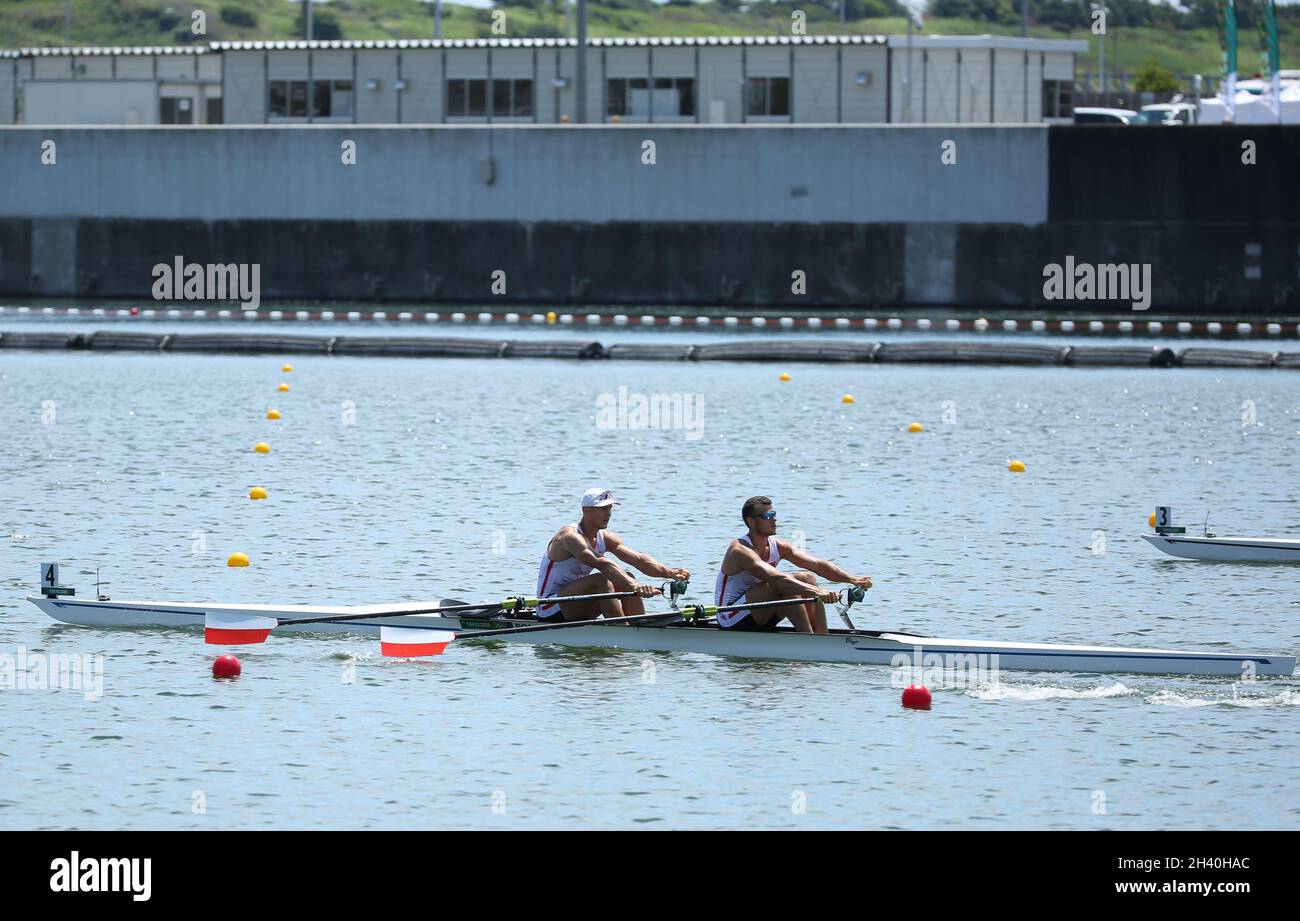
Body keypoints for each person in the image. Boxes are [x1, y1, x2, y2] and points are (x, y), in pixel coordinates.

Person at [714, 496, 872, 634]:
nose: (774, 519)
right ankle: (810, 642)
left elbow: (817, 565)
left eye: (774, 514)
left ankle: (822, 638)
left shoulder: (779, 546)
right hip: (730, 617)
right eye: (768, 515)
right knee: (785, 585)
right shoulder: (740, 550)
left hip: (759, 611)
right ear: (751, 521)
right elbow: (776, 579)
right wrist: (818, 591)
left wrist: (852, 579)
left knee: (807, 577)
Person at [535, 488, 691, 622]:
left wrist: (670, 573)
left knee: (627, 575)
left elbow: (638, 560)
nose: (608, 513)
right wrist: (635, 586)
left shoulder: (606, 537)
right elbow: (602, 563)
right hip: (549, 607)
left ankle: (639, 624)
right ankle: (623, 631)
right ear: (586, 511)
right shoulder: (570, 537)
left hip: (576, 602)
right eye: (603, 509)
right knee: (602, 580)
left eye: (610, 508)